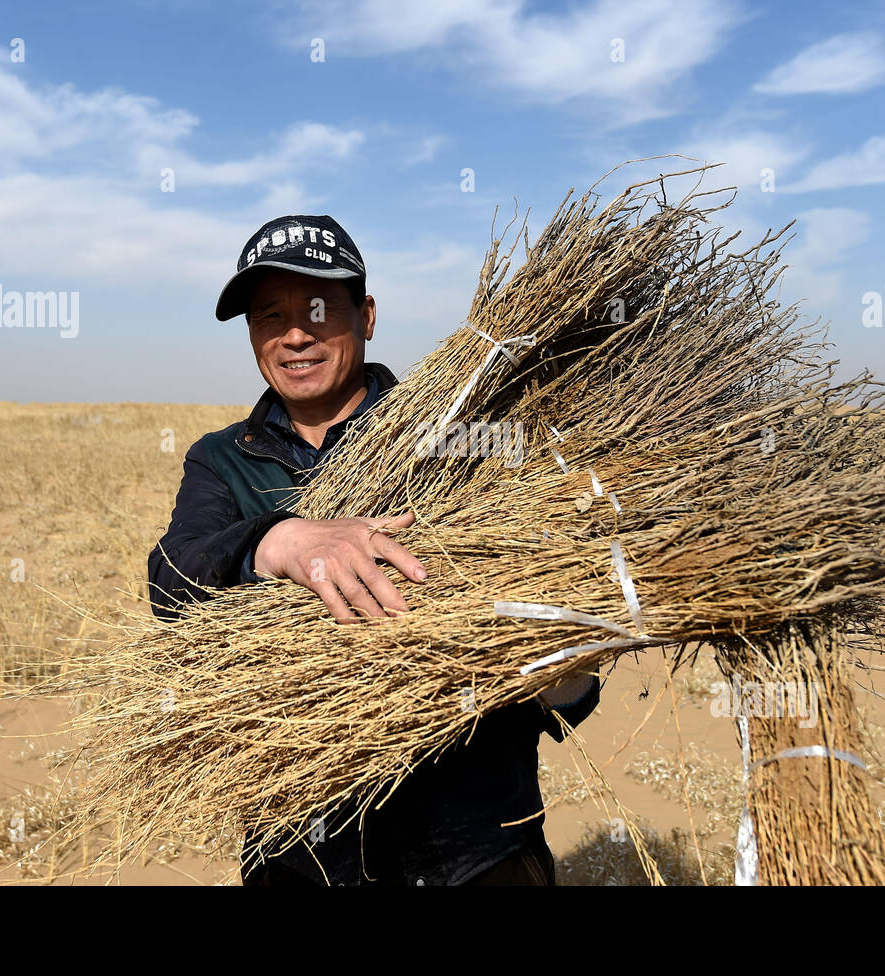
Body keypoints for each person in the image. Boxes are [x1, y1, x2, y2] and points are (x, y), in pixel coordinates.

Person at [147, 214, 600, 886]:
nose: (296, 333)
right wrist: (279, 541)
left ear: (367, 315)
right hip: (303, 857)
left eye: (319, 309)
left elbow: (566, 657)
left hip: (476, 853)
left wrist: (567, 672)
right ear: (252, 334)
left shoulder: (465, 438)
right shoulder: (223, 461)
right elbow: (170, 582)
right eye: (271, 314)